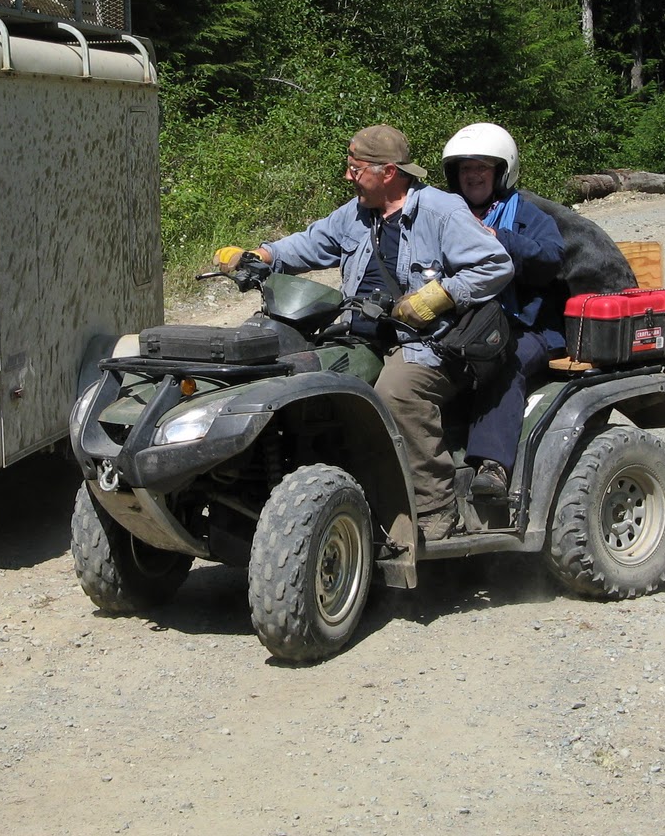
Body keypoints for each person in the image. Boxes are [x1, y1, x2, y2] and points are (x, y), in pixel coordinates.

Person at [215, 125, 513, 541]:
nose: (348, 176)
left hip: (428, 344)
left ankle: (435, 507)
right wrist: (260, 255)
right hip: (363, 338)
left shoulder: (441, 211)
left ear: (388, 172)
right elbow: (308, 244)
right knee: (294, 377)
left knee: (398, 392)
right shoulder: (355, 214)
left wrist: (439, 296)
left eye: (355, 168)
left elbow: (495, 265)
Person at [441, 123, 565, 499]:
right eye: (465, 169)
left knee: (502, 361)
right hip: (465, 323)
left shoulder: (527, 215)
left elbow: (552, 257)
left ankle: (493, 465)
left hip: (528, 329)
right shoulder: (448, 214)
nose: (473, 176)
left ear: (501, 171)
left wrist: (502, 239)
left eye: (481, 167)